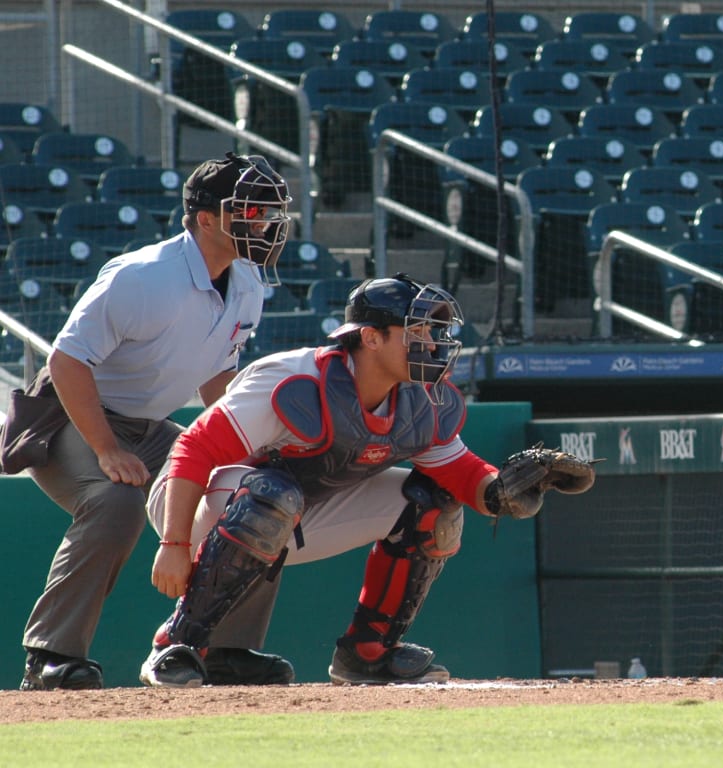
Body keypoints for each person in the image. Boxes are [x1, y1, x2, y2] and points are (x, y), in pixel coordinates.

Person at [136, 274, 594, 687]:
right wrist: (174, 544)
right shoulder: (296, 379)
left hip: (293, 510)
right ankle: (177, 643)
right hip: (199, 502)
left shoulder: (419, 398)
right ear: (371, 338)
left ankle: (368, 653)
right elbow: (193, 449)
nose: (432, 344)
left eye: (434, 333)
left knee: (434, 504)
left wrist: (507, 491)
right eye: (417, 333)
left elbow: (464, 476)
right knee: (271, 494)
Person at [5, 153, 292, 691]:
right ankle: (50, 656)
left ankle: (227, 649)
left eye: (267, 211)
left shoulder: (247, 280)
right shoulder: (143, 276)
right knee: (114, 501)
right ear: (206, 219)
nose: (265, 223)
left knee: (257, 492)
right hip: (70, 417)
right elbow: (67, 362)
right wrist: (108, 447)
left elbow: (218, 376)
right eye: (250, 210)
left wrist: (245, 443)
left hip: (150, 425)